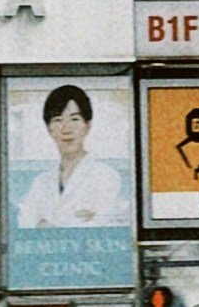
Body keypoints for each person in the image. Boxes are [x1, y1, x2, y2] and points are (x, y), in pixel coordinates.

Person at [17, 82, 126, 227]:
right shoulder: (40, 183)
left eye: (75, 119)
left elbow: (105, 226)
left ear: (87, 125)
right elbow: (26, 224)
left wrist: (48, 225)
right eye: (58, 120)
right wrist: (78, 219)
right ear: (49, 128)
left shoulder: (105, 176)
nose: (66, 128)